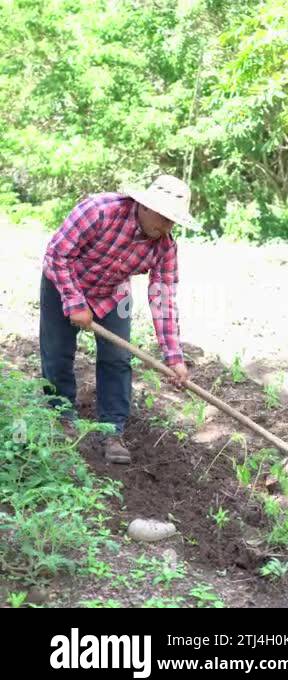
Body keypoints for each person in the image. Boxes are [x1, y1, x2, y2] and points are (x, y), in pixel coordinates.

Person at [39, 174, 201, 464]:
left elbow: (163, 298)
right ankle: (60, 416)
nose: (166, 226)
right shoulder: (98, 210)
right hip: (64, 282)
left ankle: (111, 430)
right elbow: (56, 255)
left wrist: (173, 357)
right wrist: (75, 302)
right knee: (58, 353)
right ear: (145, 205)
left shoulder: (164, 246)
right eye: (163, 217)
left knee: (117, 358)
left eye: (172, 221)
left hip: (113, 293)